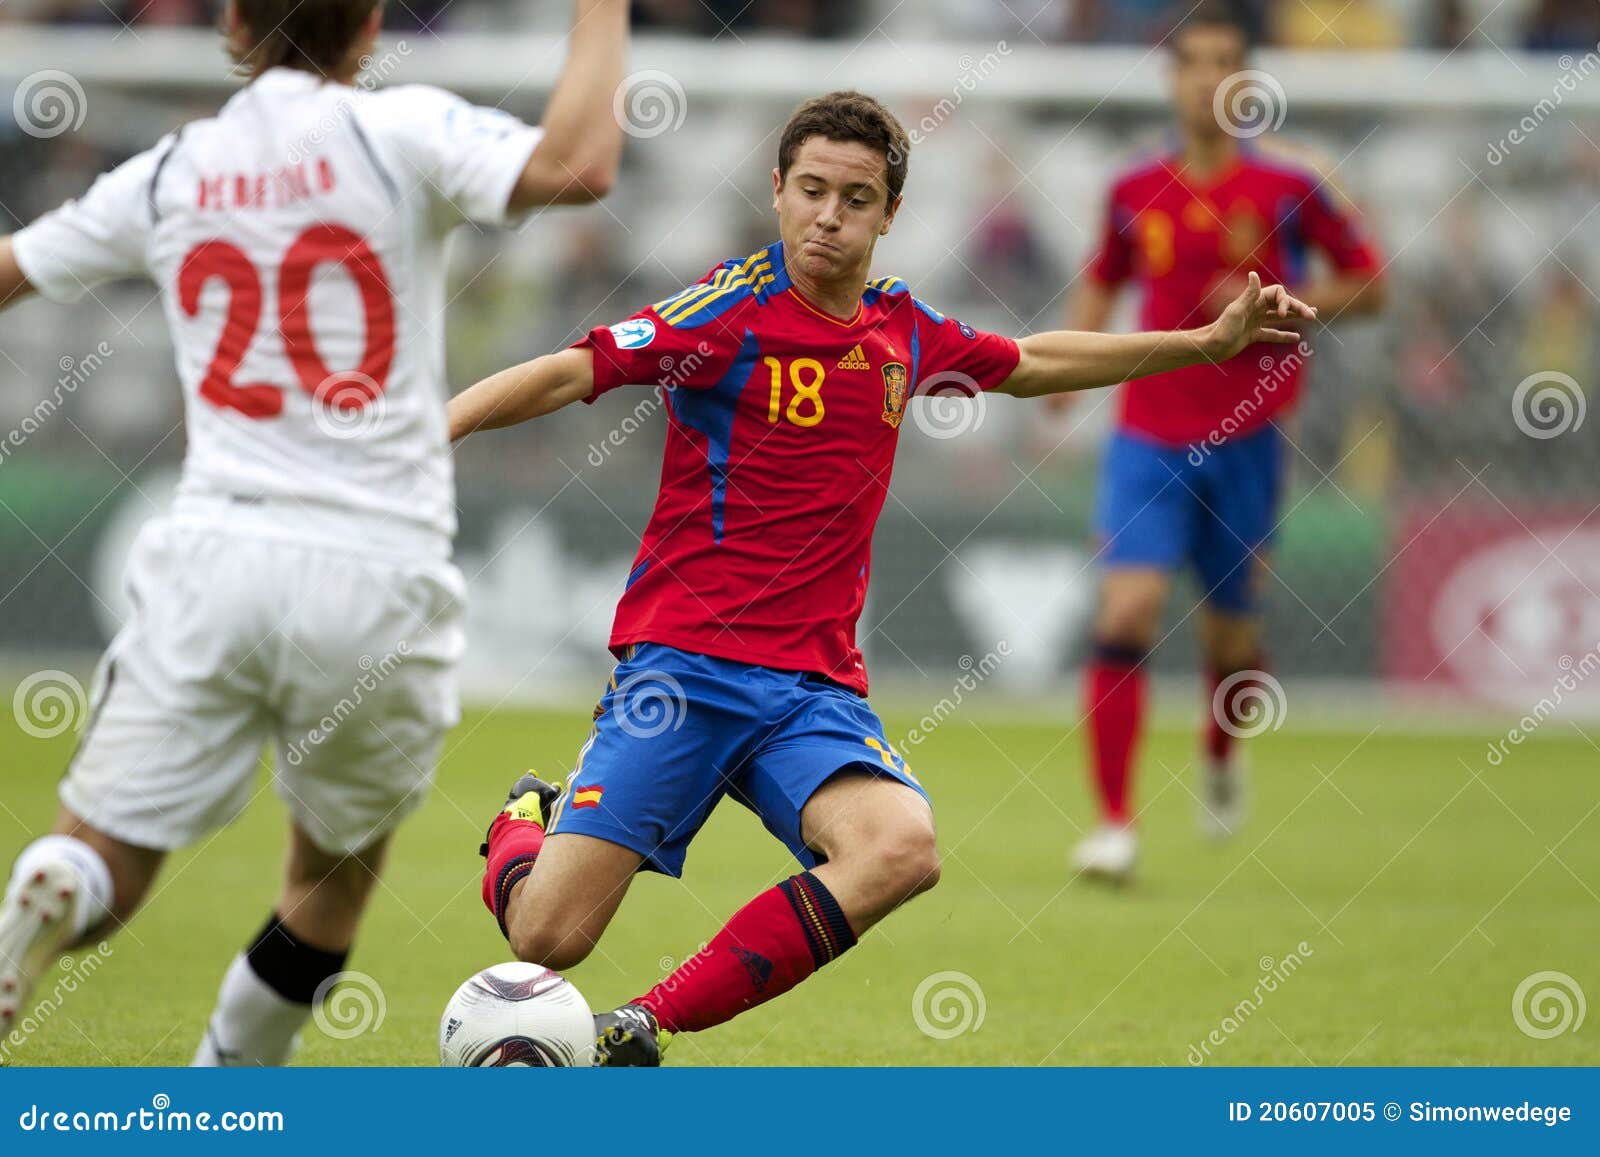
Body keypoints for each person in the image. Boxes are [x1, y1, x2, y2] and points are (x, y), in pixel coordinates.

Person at [448, 89, 1315, 1063]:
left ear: (887, 213)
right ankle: (524, 819)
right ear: (777, 192)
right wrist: (427, 432)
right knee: (547, 937)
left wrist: (1201, 343)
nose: (828, 215)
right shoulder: (724, 311)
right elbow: (573, 369)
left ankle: (643, 1022)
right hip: (682, 666)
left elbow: (1033, 359)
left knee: (901, 847)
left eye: (854, 198)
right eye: (811, 190)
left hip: (808, 687)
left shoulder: (901, 329)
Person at [0, 0, 629, 1064]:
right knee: (328, 884)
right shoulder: (401, 131)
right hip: (377, 568)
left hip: (216, 552)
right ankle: (223, 1093)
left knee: (107, 861)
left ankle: (63, 886)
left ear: (235, 21)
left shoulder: (172, 169)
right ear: (370, 22)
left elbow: (12, 271)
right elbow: (580, 165)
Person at [1056, 1, 1384, 881]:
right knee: (1125, 611)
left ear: (1248, 80)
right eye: (1192, 61)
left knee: (1231, 641)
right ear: (1172, 79)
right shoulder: (1132, 191)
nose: (1208, 77)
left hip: (1249, 442)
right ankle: (1115, 823)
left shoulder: (1290, 189)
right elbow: (1101, 282)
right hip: (1148, 435)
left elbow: (1372, 286)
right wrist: (1048, 385)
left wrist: (1290, 307)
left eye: (1224, 61)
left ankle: (1220, 753)